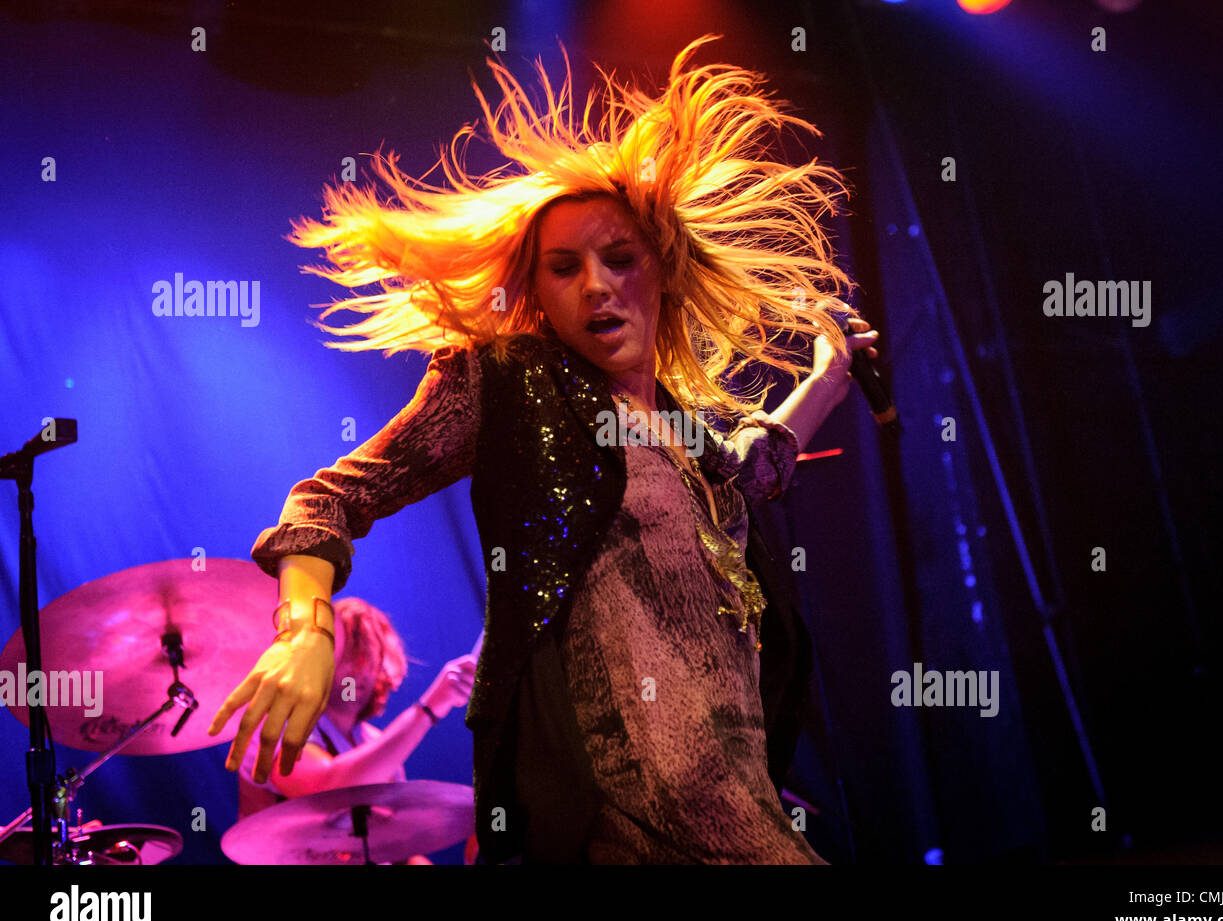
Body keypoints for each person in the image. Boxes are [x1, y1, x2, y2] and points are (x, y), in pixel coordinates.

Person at [209, 34, 881, 864]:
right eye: (564, 268)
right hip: (621, 818)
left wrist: (826, 380)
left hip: (738, 804)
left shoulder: (685, 438)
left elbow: (752, 467)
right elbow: (328, 499)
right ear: (537, 293)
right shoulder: (509, 384)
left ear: (661, 268)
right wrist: (304, 628)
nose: (595, 284)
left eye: (619, 258)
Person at [234, 597, 478, 863]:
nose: (360, 670)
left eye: (370, 657)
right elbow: (324, 790)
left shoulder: (375, 742)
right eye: (351, 654)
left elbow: (397, 850)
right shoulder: (279, 720)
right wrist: (430, 707)